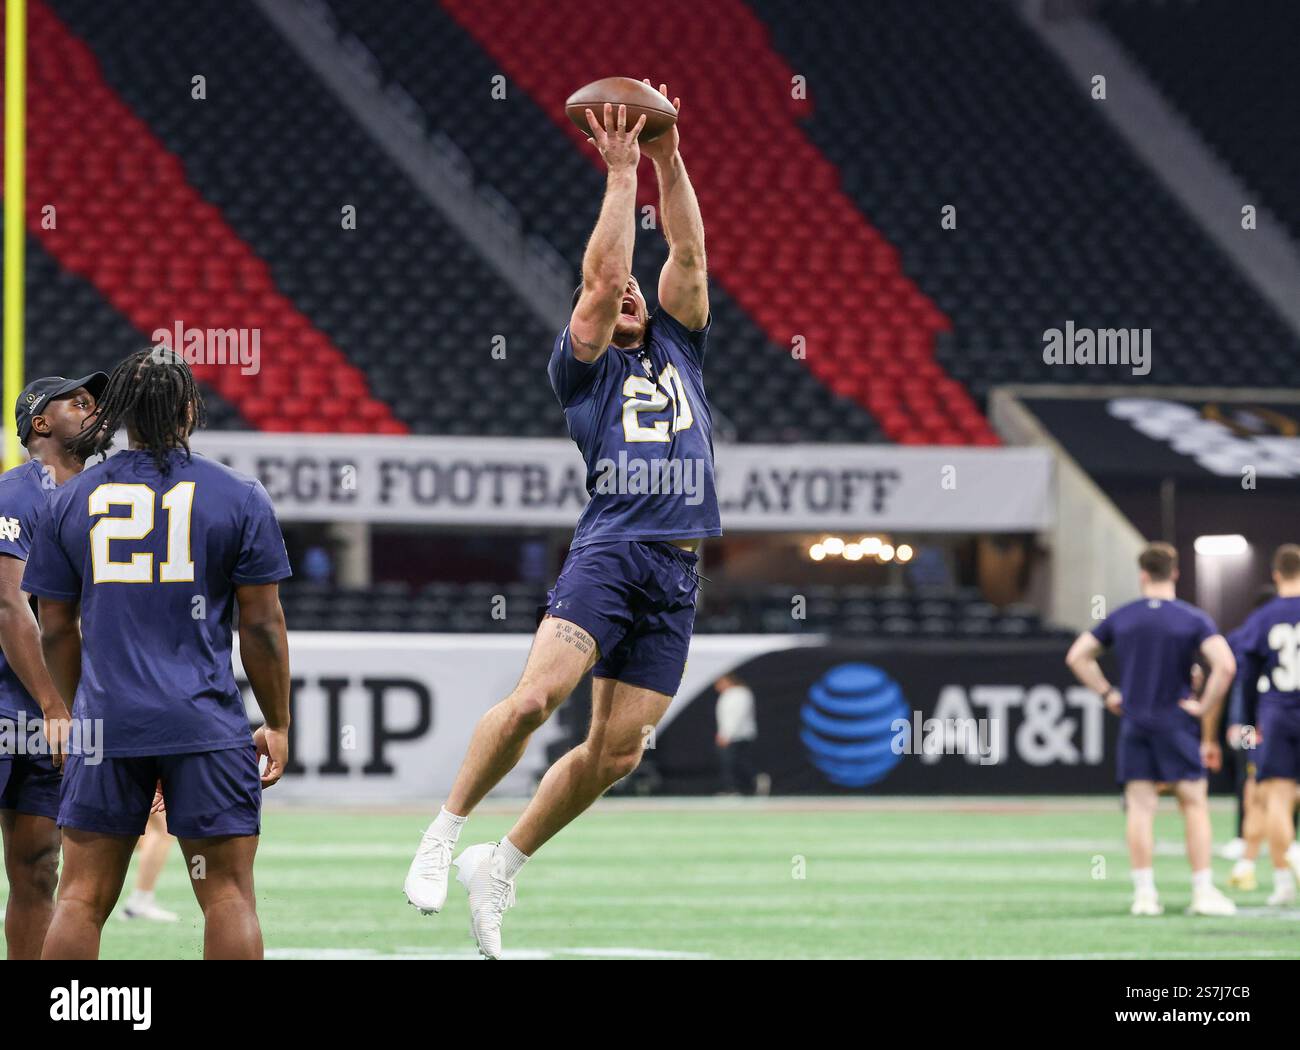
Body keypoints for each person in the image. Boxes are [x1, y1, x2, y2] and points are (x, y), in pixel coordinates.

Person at [404, 83, 717, 958]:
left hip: (680, 566)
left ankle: (498, 867)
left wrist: (667, 155)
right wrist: (620, 176)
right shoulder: (582, 369)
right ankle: (444, 830)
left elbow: (685, 252)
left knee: (617, 754)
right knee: (539, 696)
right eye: (616, 298)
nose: (627, 299)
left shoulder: (681, 348)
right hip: (614, 548)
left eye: (636, 296)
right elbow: (601, 277)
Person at [23, 348, 292, 959]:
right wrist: (276, 720)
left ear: (116, 415)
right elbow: (264, 628)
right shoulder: (239, 496)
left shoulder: (69, 499)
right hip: (205, 721)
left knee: (80, 897)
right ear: (191, 410)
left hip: (108, 723)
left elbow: (56, 628)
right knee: (226, 894)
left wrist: (75, 711)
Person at [1065, 542, 1238, 916]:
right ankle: (1202, 892)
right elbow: (1224, 665)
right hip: (1176, 723)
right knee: (1193, 804)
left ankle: (1145, 894)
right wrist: (1204, 706)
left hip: (1135, 722)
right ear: (1174, 572)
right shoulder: (1192, 618)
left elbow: (1077, 656)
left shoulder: (1123, 617)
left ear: (1142, 573)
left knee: (1140, 810)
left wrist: (1108, 693)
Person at [0, 373, 106, 957]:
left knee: (40, 868)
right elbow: (7, 601)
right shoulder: (18, 492)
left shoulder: (102, 500)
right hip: (27, 706)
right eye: (79, 402)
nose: (93, 410)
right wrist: (55, 704)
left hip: (59, 714)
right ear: (41, 423)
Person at [1231, 544, 1300, 906]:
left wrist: (1247, 723)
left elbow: (1246, 675)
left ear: (1276, 574)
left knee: (1277, 798)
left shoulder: (1264, 616)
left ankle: (1283, 882)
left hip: (1276, 713)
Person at [714, 674, 757, 795]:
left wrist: (726, 735)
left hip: (737, 736)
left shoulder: (739, 694)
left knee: (731, 763)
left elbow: (736, 717)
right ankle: (736, 788)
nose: (717, 687)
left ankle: (733, 789)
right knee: (735, 762)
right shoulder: (729, 694)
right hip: (731, 735)